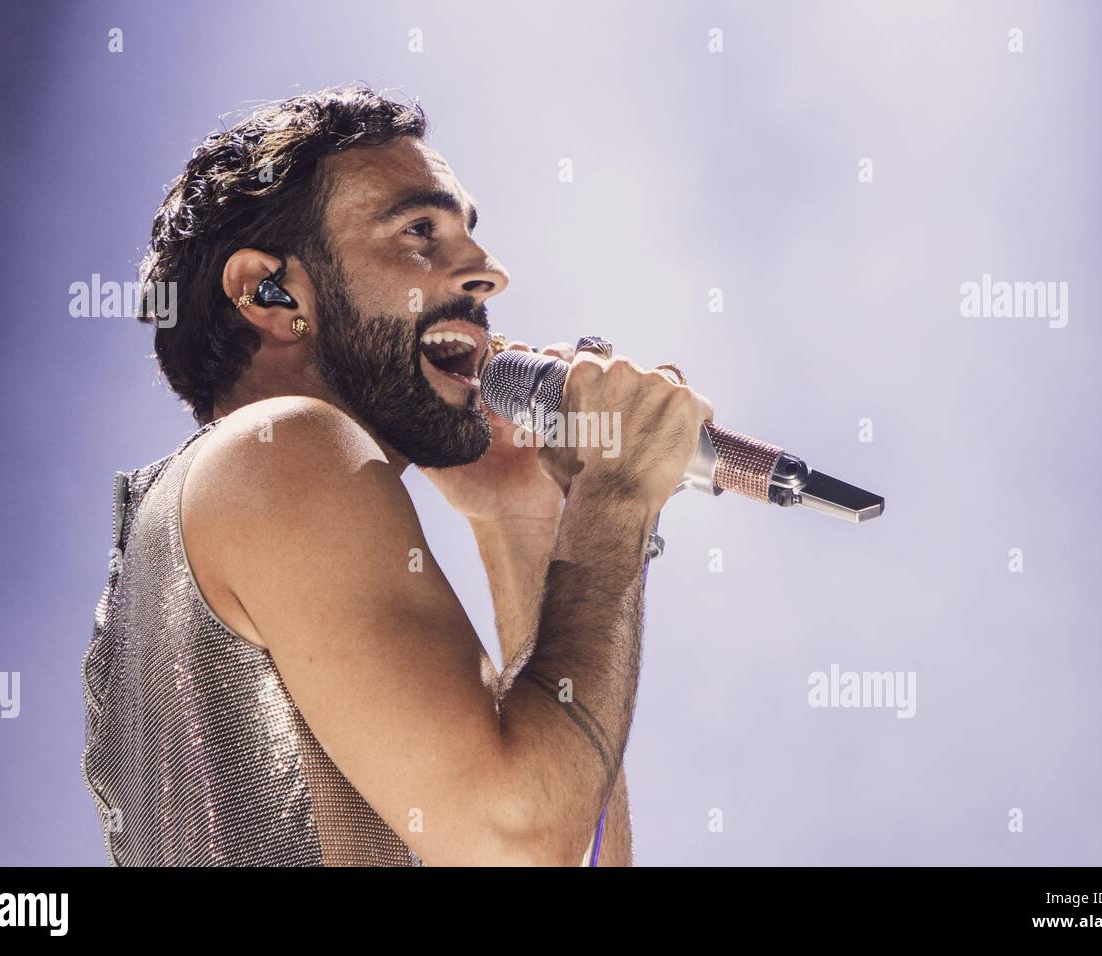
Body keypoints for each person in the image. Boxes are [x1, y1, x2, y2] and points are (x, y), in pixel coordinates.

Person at [81, 84, 711, 866]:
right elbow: (516, 839)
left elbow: (559, 845)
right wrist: (615, 500)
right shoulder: (277, 446)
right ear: (269, 293)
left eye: (468, 233)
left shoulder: (194, 516)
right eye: (420, 232)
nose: (488, 273)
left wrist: (523, 517)